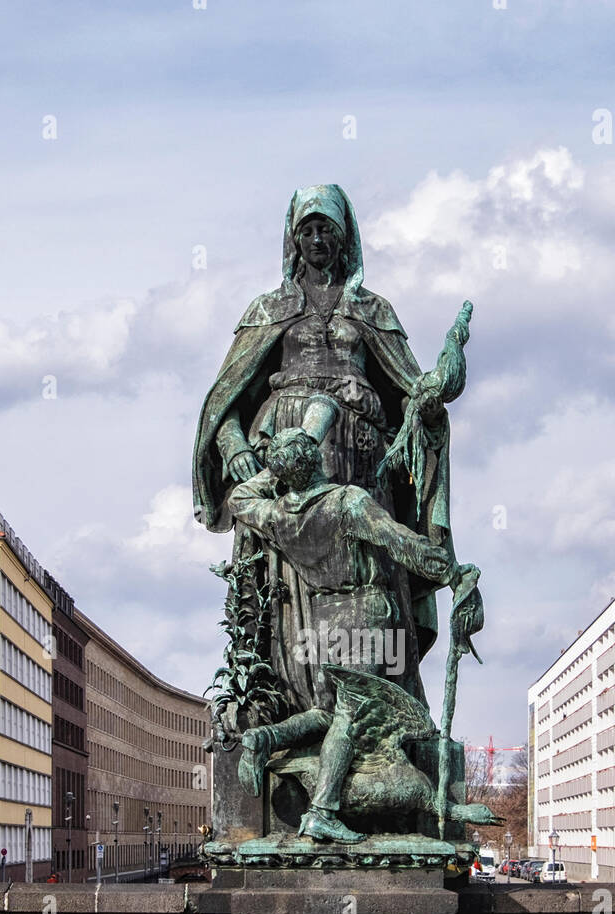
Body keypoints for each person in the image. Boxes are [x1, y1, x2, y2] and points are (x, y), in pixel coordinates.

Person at [193, 184, 455, 717]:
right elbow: (225, 399)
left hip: (361, 464)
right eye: (307, 230)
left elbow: (411, 390)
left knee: (367, 576)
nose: (317, 239)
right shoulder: (267, 309)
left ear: (345, 239)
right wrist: (235, 445)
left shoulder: (373, 309)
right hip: (284, 458)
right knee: (286, 591)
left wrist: (426, 411)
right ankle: (285, 709)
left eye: (327, 230)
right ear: (293, 240)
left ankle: (376, 710)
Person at [229, 426, 460, 843]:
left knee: (325, 711)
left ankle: (264, 737)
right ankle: (322, 810)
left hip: (321, 615)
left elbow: (239, 498)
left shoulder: (280, 514)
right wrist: (453, 573)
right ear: (317, 458)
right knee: (349, 716)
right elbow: (402, 543)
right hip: (363, 608)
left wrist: (276, 473)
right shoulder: (348, 501)